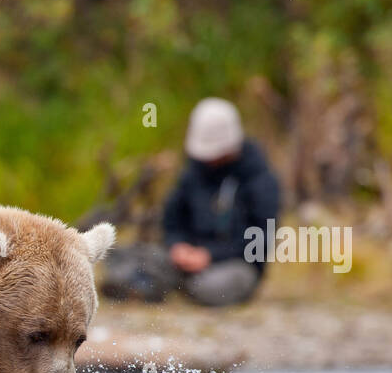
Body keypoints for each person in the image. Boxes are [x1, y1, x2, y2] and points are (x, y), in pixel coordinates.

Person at [100, 98, 281, 306]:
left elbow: (259, 240)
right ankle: (156, 282)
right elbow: (172, 219)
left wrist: (208, 256)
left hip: (233, 265)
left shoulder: (260, 180)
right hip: (184, 259)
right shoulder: (193, 173)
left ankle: (158, 284)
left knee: (214, 285)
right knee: (133, 255)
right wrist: (178, 246)